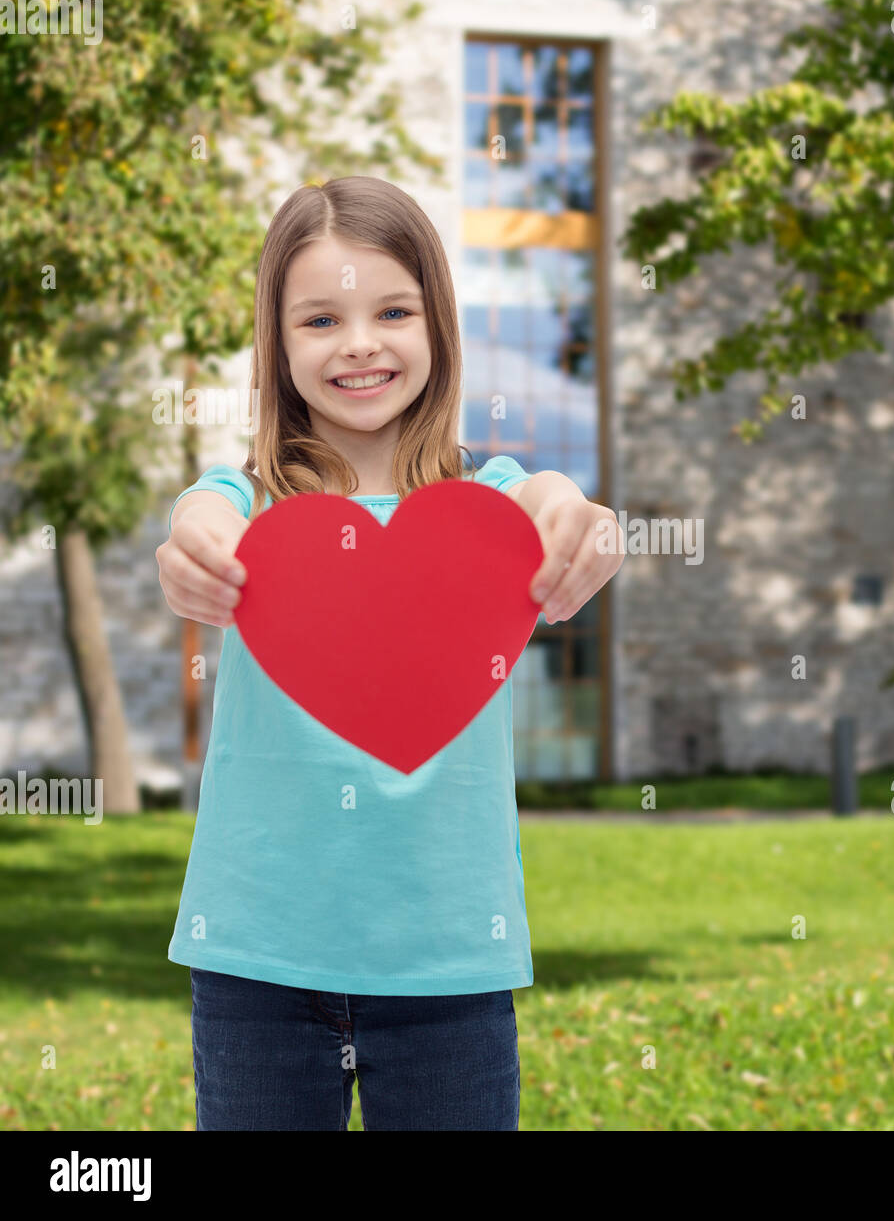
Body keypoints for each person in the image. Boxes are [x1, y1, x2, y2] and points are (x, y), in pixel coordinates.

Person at [155, 175, 624, 1130]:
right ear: (279, 348)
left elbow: (551, 505)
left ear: (438, 327)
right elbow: (195, 522)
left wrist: (580, 515)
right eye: (320, 319)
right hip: (259, 962)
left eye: (393, 311)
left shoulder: (490, 502)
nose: (360, 342)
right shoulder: (247, 501)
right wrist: (191, 551)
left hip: (450, 959)